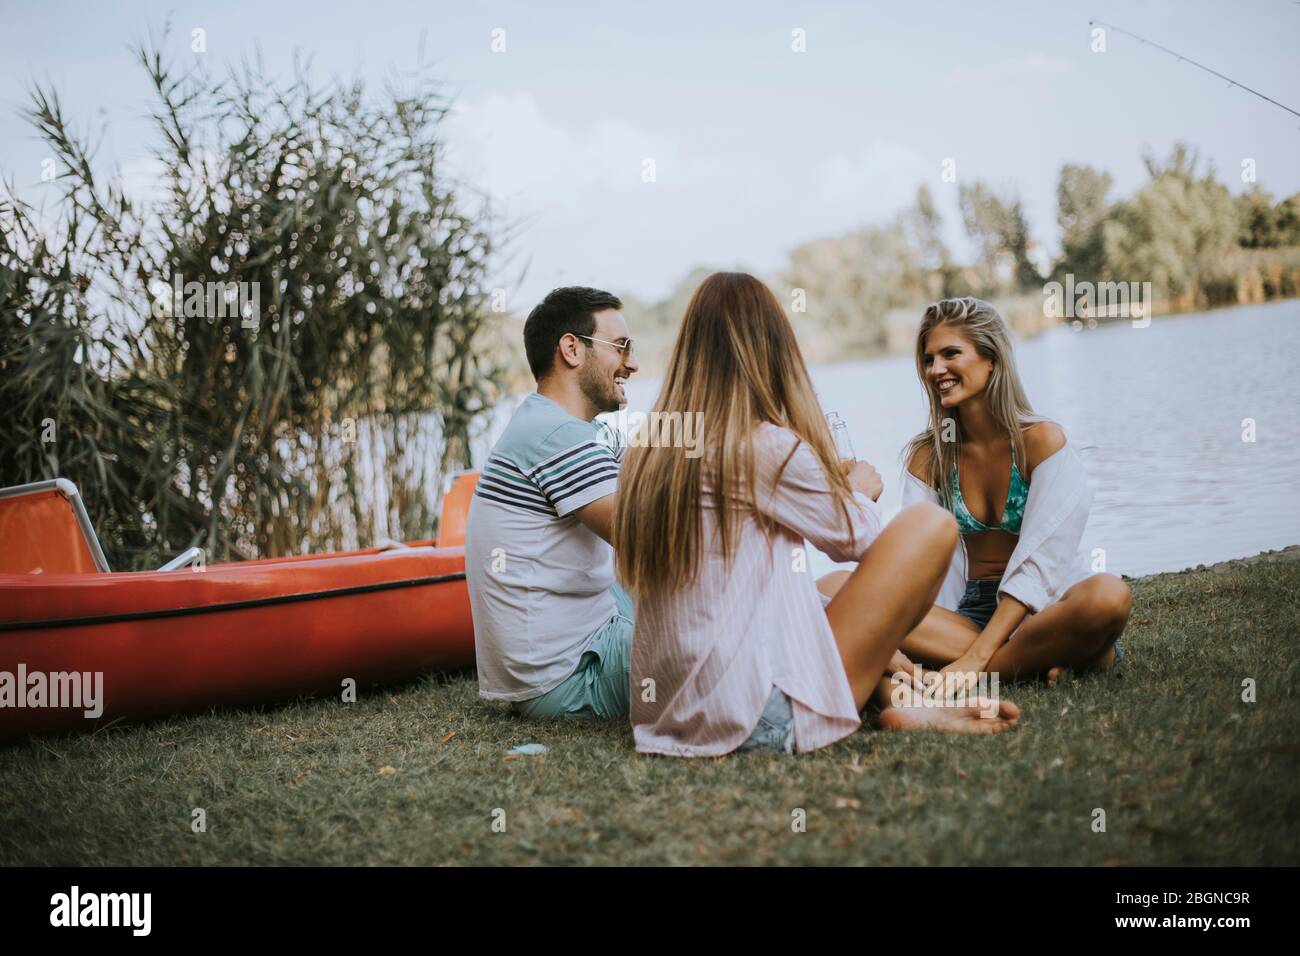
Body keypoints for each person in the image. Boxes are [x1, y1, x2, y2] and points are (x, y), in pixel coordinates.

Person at [614, 273, 1020, 758]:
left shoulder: (647, 449)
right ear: (773, 350)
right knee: (929, 526)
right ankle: (898, 692)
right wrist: (856, 492)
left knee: (816, 591)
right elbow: (864, 543)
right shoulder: (763, 445)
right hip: (758, 716)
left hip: (670, 716)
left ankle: (901, 701)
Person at [897, 296, 1131, 688]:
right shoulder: (929, 457)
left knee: (1108, 596)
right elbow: (911, 565)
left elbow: (1043, 561)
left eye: (950, 353)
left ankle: (976, 670)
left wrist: (975, 658)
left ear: (991, 360)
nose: (936, 369)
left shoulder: (1041, 442)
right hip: (965, 615)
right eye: (927, 359)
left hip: (1046, 607)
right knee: (837, 591)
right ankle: (1047, 660)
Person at [465, 286, 639, 719]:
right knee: (721, 618)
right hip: (568, 676)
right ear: (571, 349)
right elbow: (647, 538)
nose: (632, 363)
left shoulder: (546, 424)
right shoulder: (556, 436)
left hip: (559, 653)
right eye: (621, 347)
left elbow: (643, 475)